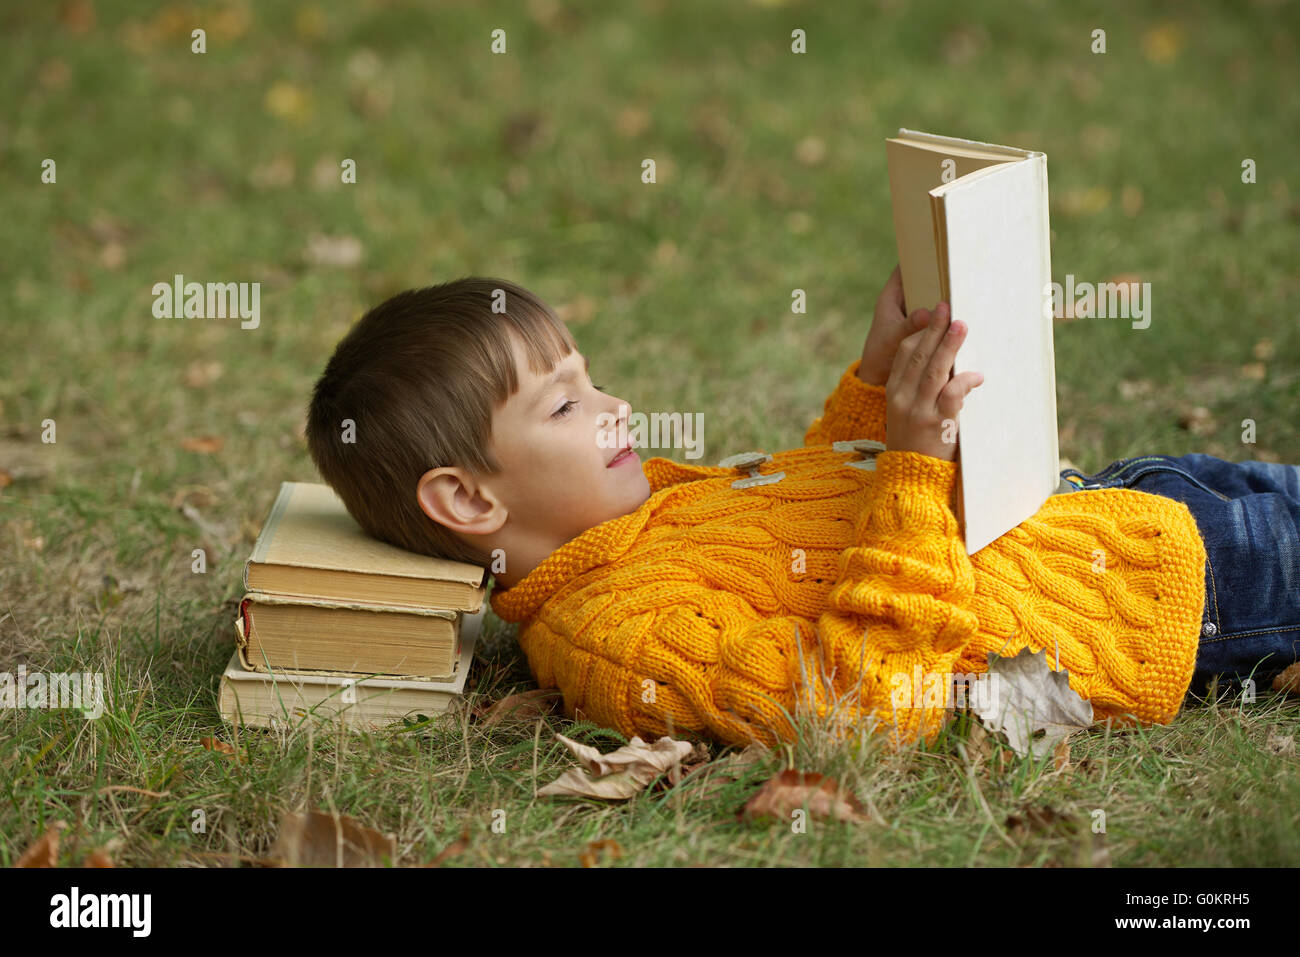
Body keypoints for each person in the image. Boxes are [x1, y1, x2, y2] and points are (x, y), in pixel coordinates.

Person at [305, 271, 1298, 750]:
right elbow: (857, 708)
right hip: (1180, 593)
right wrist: (913, 472)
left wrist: (875, 381)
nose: (611, 406)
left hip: (1128, 501)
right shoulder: (618, 635)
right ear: (469, 498)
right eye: (563, 404)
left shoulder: (638, 512)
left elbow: (817, 514)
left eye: (590, 379)